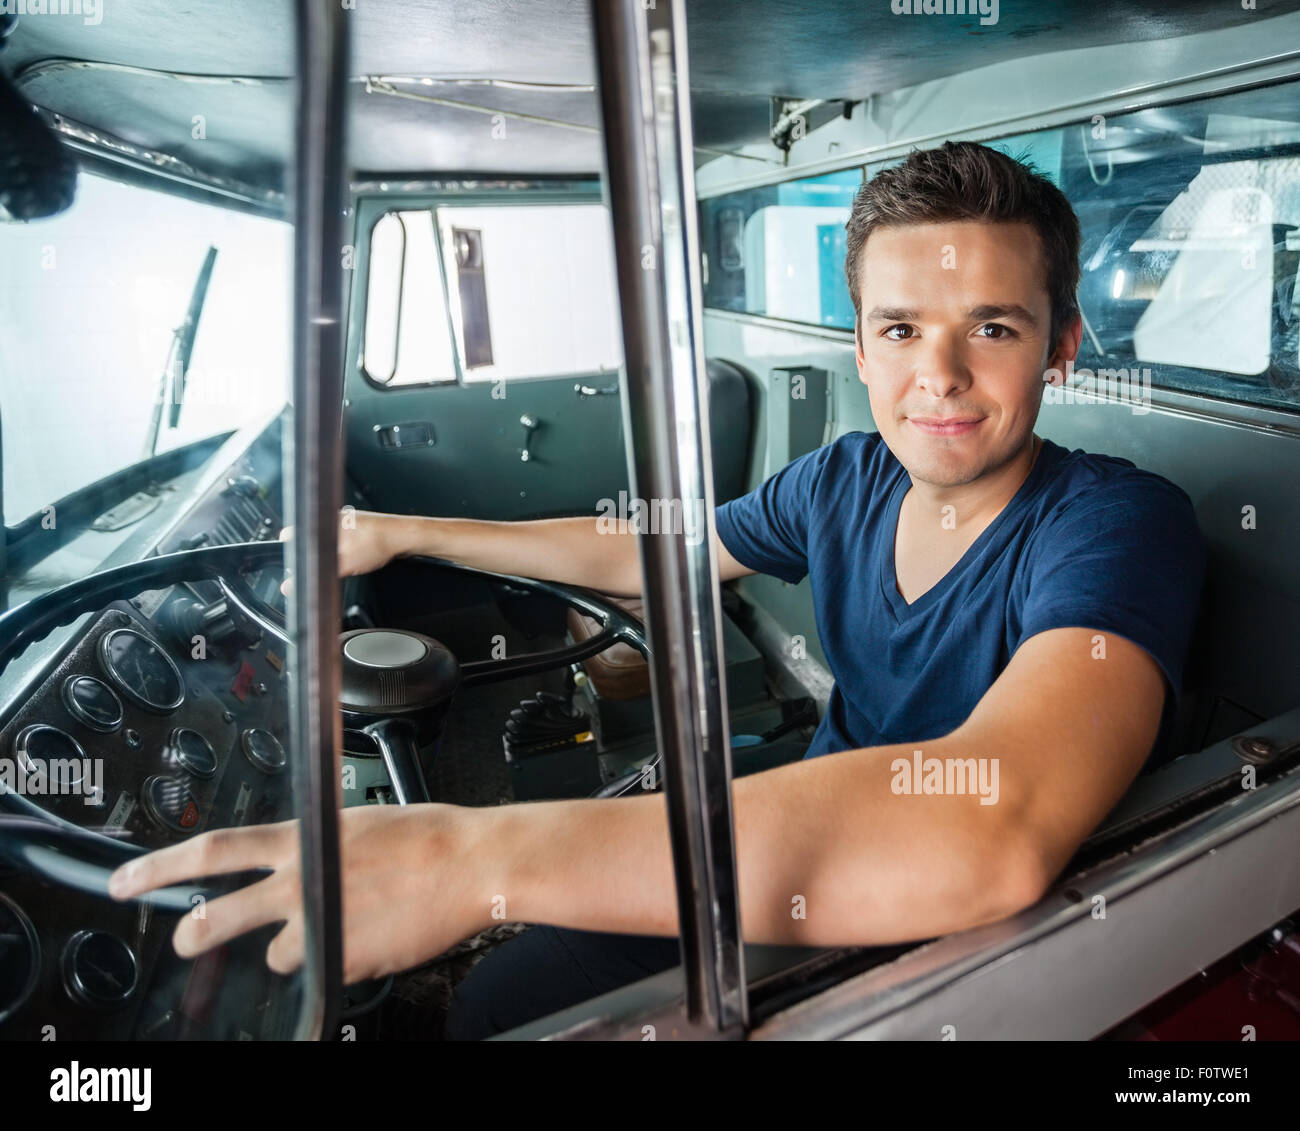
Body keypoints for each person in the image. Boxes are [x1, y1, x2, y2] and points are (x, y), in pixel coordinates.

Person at [108, 141, 1205, 1040]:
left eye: (994, 329)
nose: (941, 376)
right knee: (499, 1002)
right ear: (861, 352)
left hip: (929, 922)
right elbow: (656, 551)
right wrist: (404, 533)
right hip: (793, 832)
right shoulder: (846, 477)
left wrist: (467, 854)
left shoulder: (1114, 524)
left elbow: (991, 827)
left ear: (1060, 347)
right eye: (902, 329)